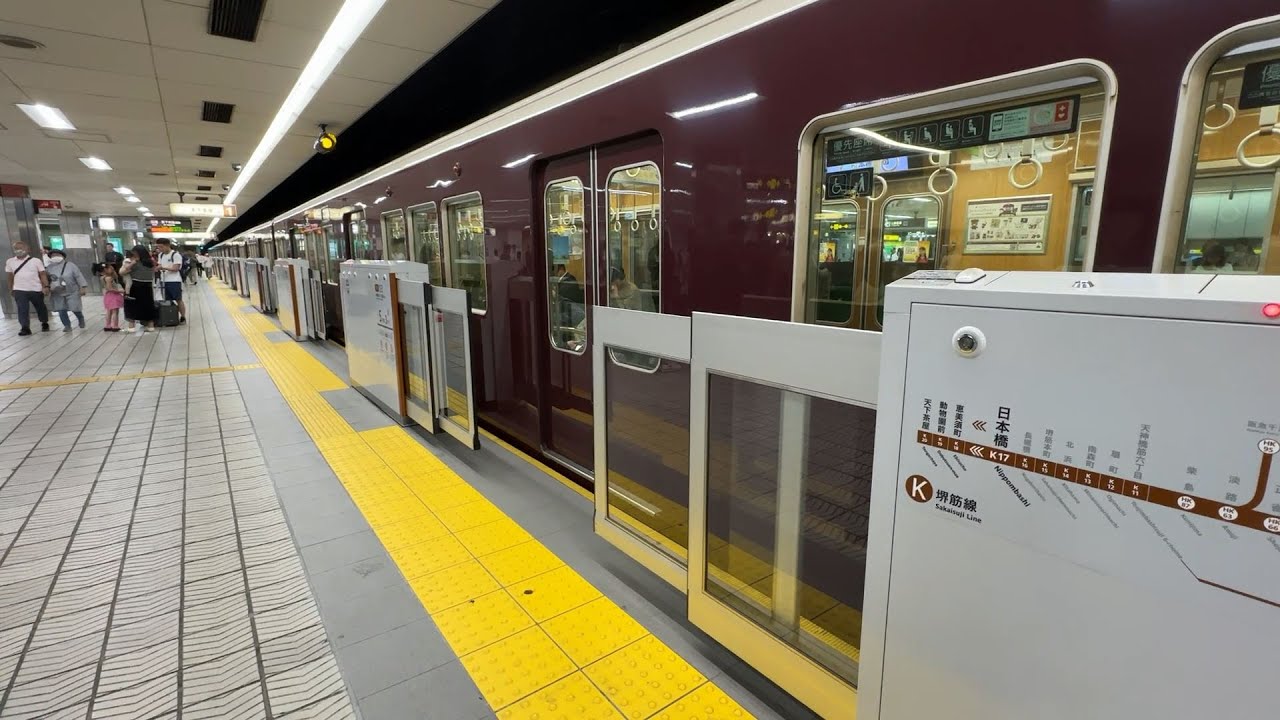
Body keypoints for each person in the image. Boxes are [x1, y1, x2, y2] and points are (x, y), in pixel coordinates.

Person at [5, 240, 51, 336]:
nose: (19, 250)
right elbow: (10, 276)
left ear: (28, 249)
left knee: (40, 307)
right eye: (16, 248)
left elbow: (42, 274)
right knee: (22, 309)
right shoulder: (10, 261)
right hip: (19, 290)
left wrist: (46, 286)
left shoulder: (36, 261)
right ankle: (25, 328)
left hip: (36, 289)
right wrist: (11, 288)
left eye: (21, 248)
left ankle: (44, 322)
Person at [45, 249, 88, 331]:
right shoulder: (49, 268)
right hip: (57, 292)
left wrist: (83, 287)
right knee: (61, 309)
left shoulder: (71, 265)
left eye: (57, 255)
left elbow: (78, 276)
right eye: (53, 255)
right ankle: (67, 325)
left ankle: (80, 318)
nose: (55, 257)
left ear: (62, 256)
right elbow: (46, 279)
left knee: (75, 308)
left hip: (72, 290)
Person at [121, 245, 158, 334]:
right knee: (148, 305)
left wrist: (132, 263)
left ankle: (131, 327)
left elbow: (123, 272)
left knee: (132, 304)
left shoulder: (136, 263)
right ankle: (150, 326)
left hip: (137, 285)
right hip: (148, 286)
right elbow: (154, 270)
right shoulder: (151, 262)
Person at [154, 238, 186, 323]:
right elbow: (160, 265)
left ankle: (183, 316)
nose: (159, 249)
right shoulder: (161, 255)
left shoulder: (175, 255)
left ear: (167, 245)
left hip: (174, 281)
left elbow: (176, 268)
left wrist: (163, 267)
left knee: (178, 299)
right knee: (167, 300)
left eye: (161, 247)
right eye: (158, 247)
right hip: (164, 280)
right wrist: (157, 268)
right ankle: (171, 316)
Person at [101, 264, 124, 332]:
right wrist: (120, 291)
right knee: (115, 312)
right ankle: (115, 326)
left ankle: (108, 325)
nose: (113, 270)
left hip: (107, 296)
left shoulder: (102, 277)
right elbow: (109, 288)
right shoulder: (109, 278)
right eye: (111, 269)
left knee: (109, 311)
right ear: (106, 270)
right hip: (113, 296)